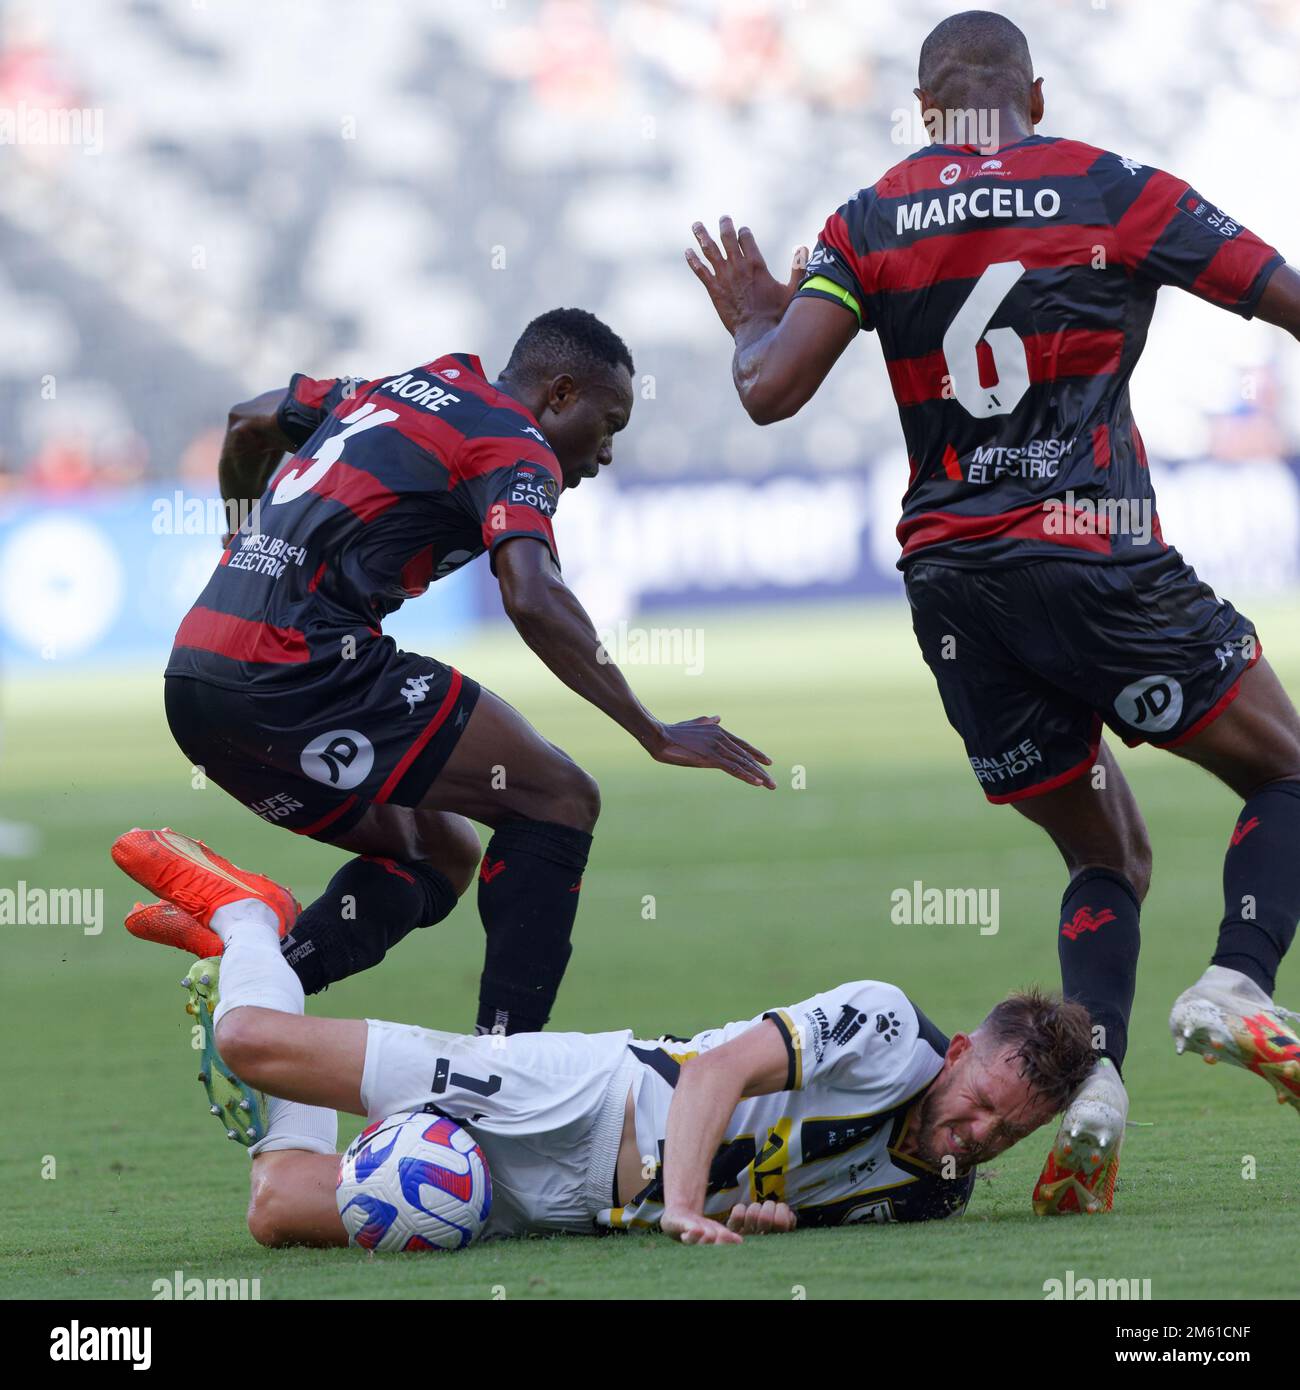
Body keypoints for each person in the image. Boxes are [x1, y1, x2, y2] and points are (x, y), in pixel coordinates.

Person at [684, 10, 1300, 1213]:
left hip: (957, 588)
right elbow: (1279, 297)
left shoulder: (866, 219)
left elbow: (767, 390)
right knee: (1285, 773)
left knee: (1102, 849)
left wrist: (755, 315)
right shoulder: (1110, 186)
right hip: (1096, 556)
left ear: (923, 110)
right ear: (1034, 91)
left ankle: (1101, 1084)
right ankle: (1234, 981)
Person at [115, 308, 773, 1040]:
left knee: (441, 853)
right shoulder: (516, 443)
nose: (607, 452)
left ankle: (256, 983)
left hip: (198, 681)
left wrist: (240, 539)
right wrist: (650, 730)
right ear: (560, 394)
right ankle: (509, 1072)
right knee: (558, 798)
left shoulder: (397, 388)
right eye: (608, 422)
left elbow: (247, 420)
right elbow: (532, 594)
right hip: (296, 670)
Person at [129, 854, 1095, 1244]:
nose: (975, 1134)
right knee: (252, 1040)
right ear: (963, 1049)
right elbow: (719, 1070)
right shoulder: (886, 1027)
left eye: (1005, 1135)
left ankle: (250, 953)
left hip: (577, 1208)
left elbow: (795, 1199)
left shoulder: (933, 1195)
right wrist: (687, 1205)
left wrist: (762, 1220)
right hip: (580, 1096)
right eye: (979, 1103)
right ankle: (252, 917)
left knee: (276, 1207)